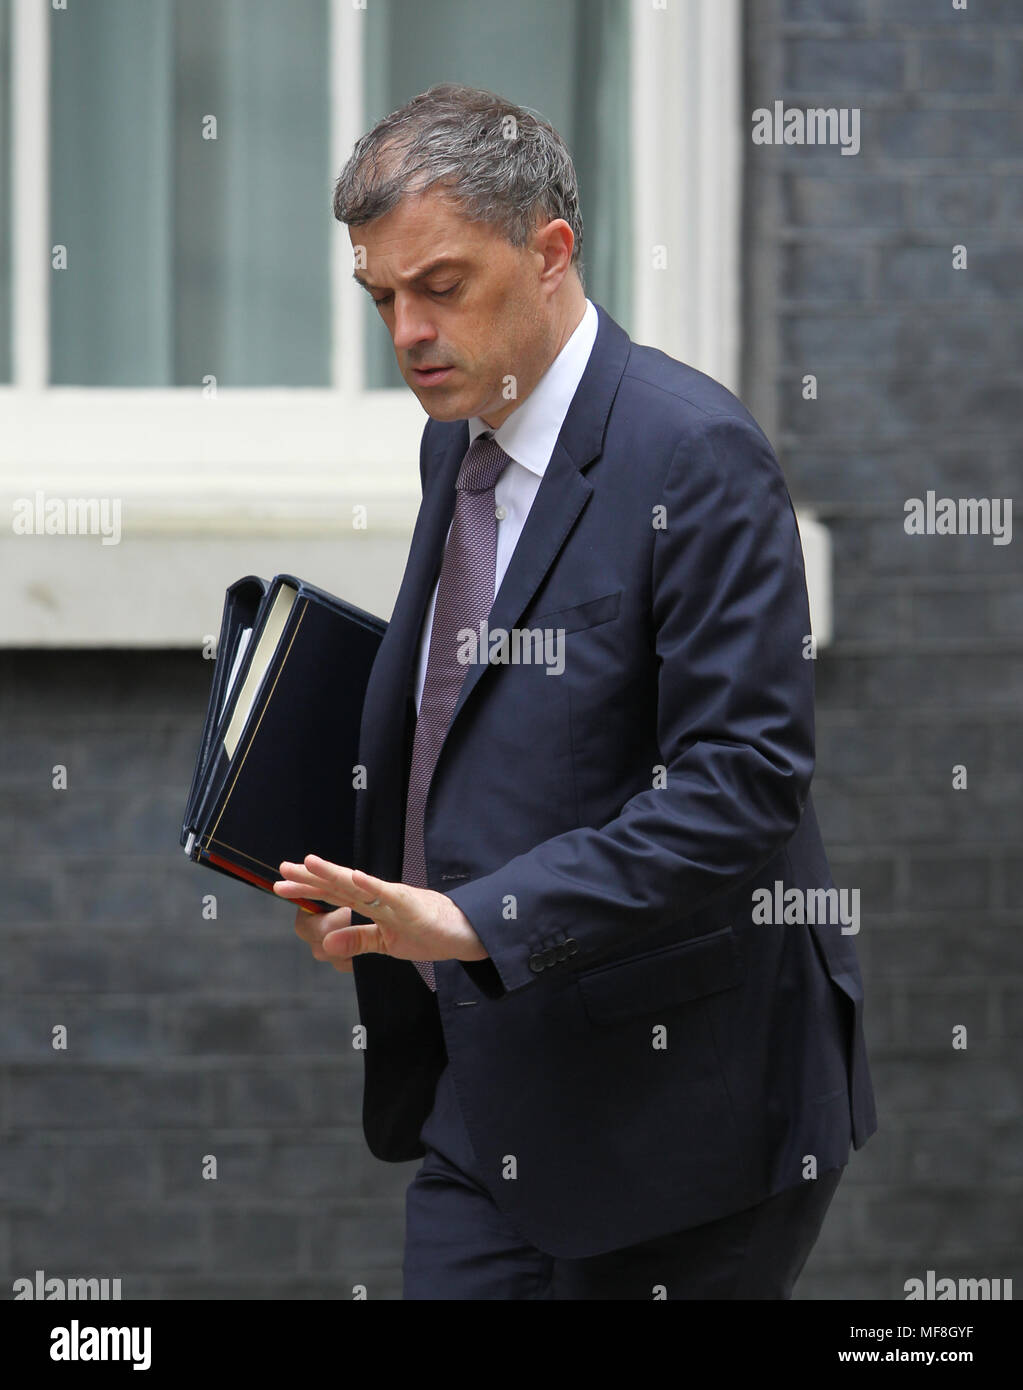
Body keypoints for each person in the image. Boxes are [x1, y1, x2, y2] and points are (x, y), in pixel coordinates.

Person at [273, 82, 876, 1301]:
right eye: (382, 296)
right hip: (489, 1095)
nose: (408, 330)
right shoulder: (459, 438)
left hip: (684, 1125)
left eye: (442, 286)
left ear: (550, 254)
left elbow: (740, 785)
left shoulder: (695, 453)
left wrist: (475, 918)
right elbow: (479, 706)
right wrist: (374, 885)